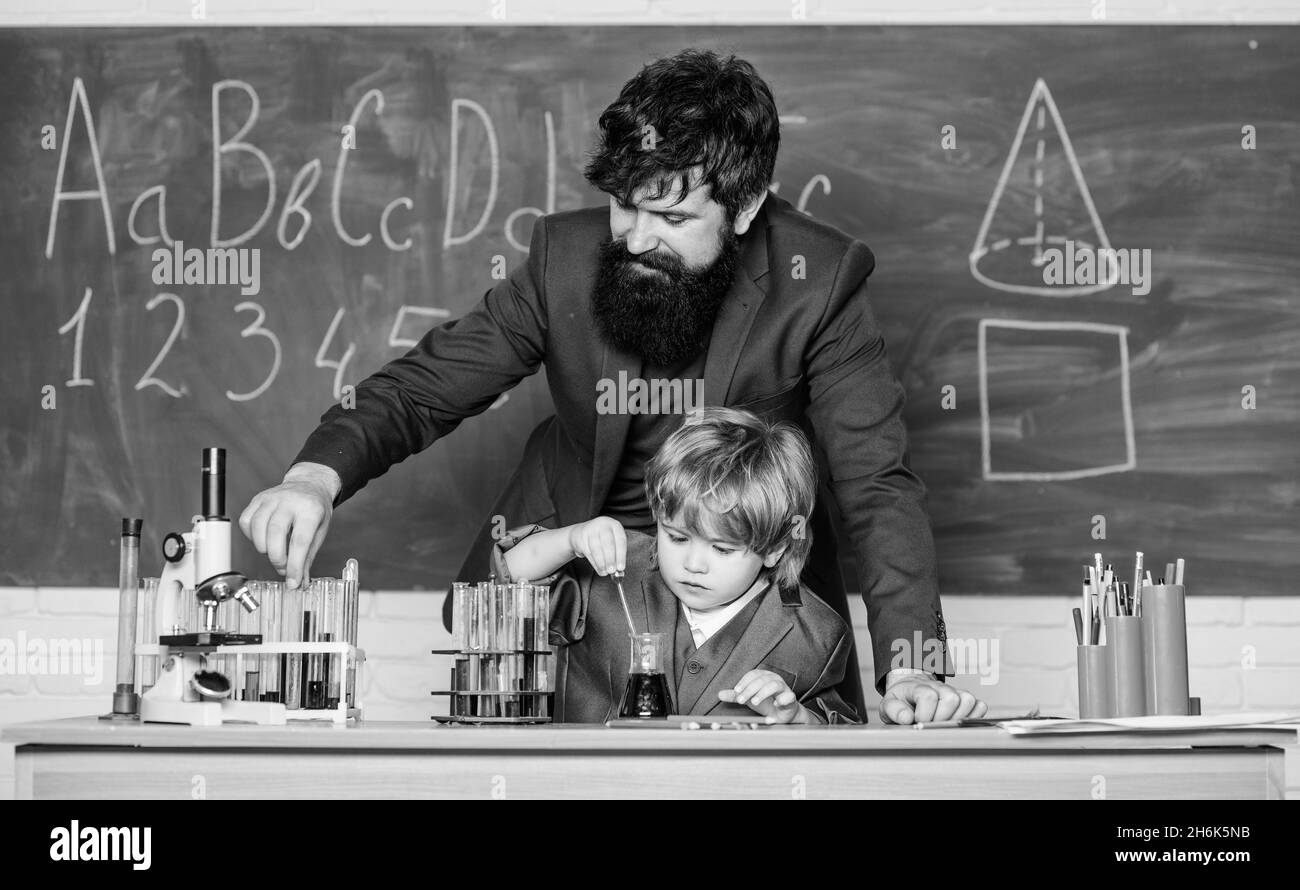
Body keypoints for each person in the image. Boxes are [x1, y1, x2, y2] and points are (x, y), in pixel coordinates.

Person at [240, 48, 987, 725]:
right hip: (574, 595)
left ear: (748, 206)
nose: (633, 237)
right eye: (625, 203)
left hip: (745, 610)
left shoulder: (818, 280)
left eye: (670, 216)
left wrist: (915, 666)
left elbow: (877, 483)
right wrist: (315, 476)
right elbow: (427, 386)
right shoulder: (565, 257)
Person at [495, 407, 858, 724]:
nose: (694, 564)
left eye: (722, 549)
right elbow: (507, 582)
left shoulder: (816, 632)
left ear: (775, 549)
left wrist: (795, 717)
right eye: (678, 538)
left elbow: (837, 734)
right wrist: (571, 539)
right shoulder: (611, 571)